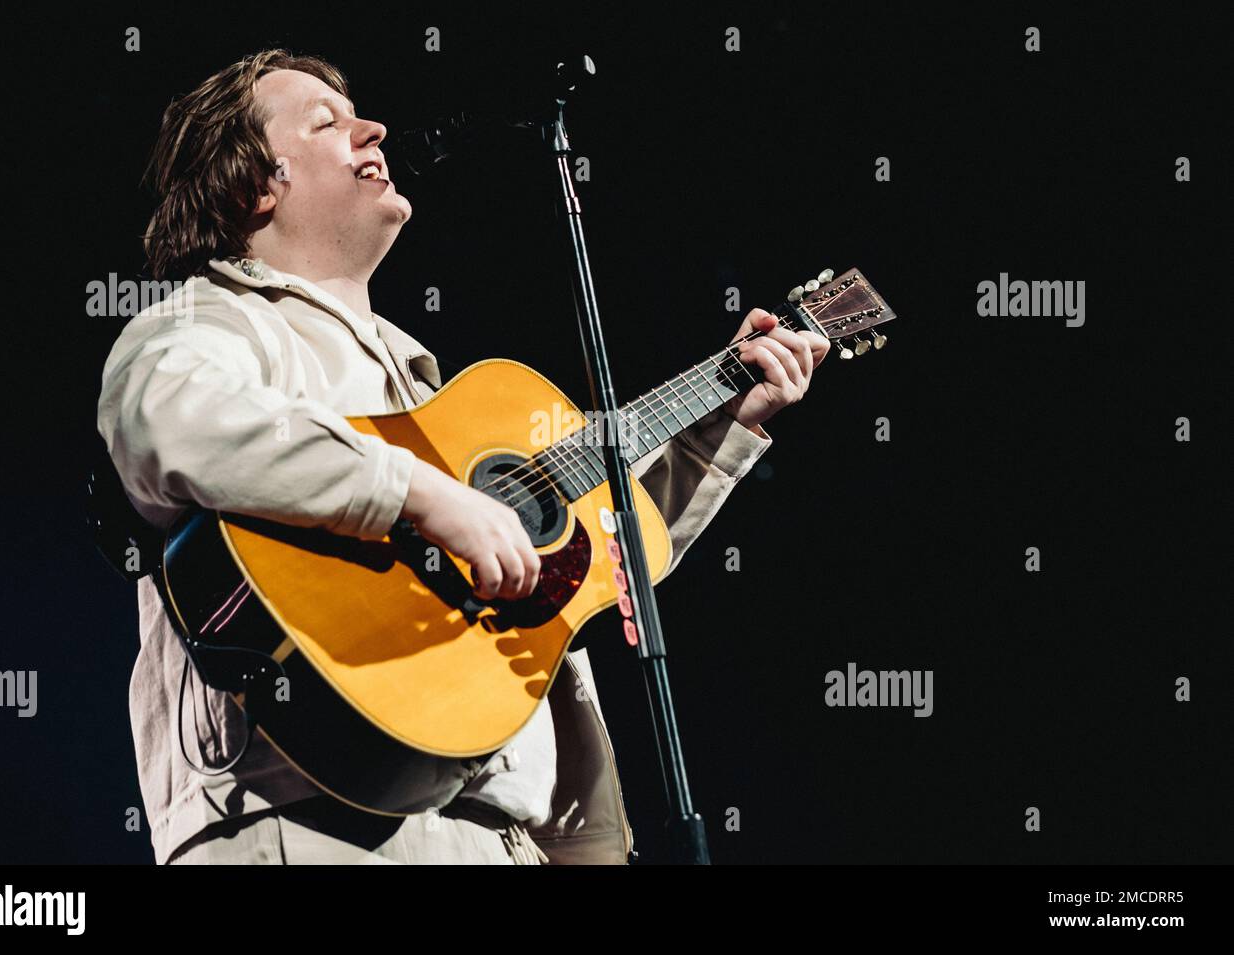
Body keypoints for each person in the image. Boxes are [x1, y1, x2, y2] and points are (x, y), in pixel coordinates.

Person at [97, 49, 828, 865]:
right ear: (254, 187)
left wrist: (719, 424)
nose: (374, 127)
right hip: (301, 820)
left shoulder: (426, 384)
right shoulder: (210, 324)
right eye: (327, 123)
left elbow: (598, 561)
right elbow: (167, 422)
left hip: (499, 837)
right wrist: (424, 496)